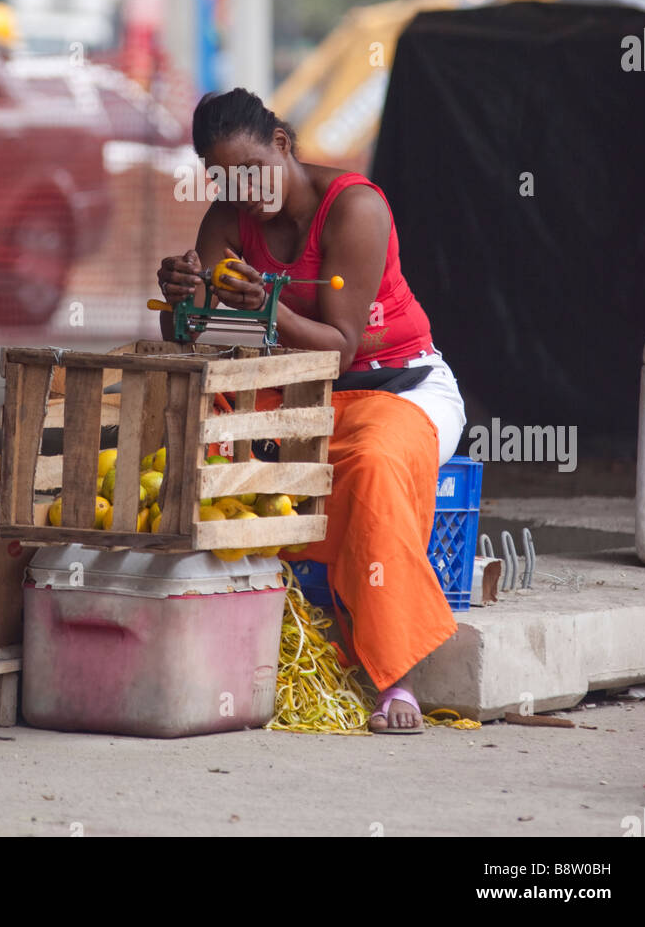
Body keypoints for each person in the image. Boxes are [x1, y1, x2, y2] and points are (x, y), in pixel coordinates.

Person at [157, 87, 466, 733]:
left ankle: (391, 675)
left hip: (393, 387)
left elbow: (341, 345)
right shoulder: (226, 222)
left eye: (254, 170)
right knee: (188, 426)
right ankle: (212, 622)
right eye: (226, 179)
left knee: (372, 465)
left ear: (282, 144)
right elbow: (212, 344)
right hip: (291, 384)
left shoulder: (355, 207)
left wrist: (266, 309)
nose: (245, 192)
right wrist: (184, 304)